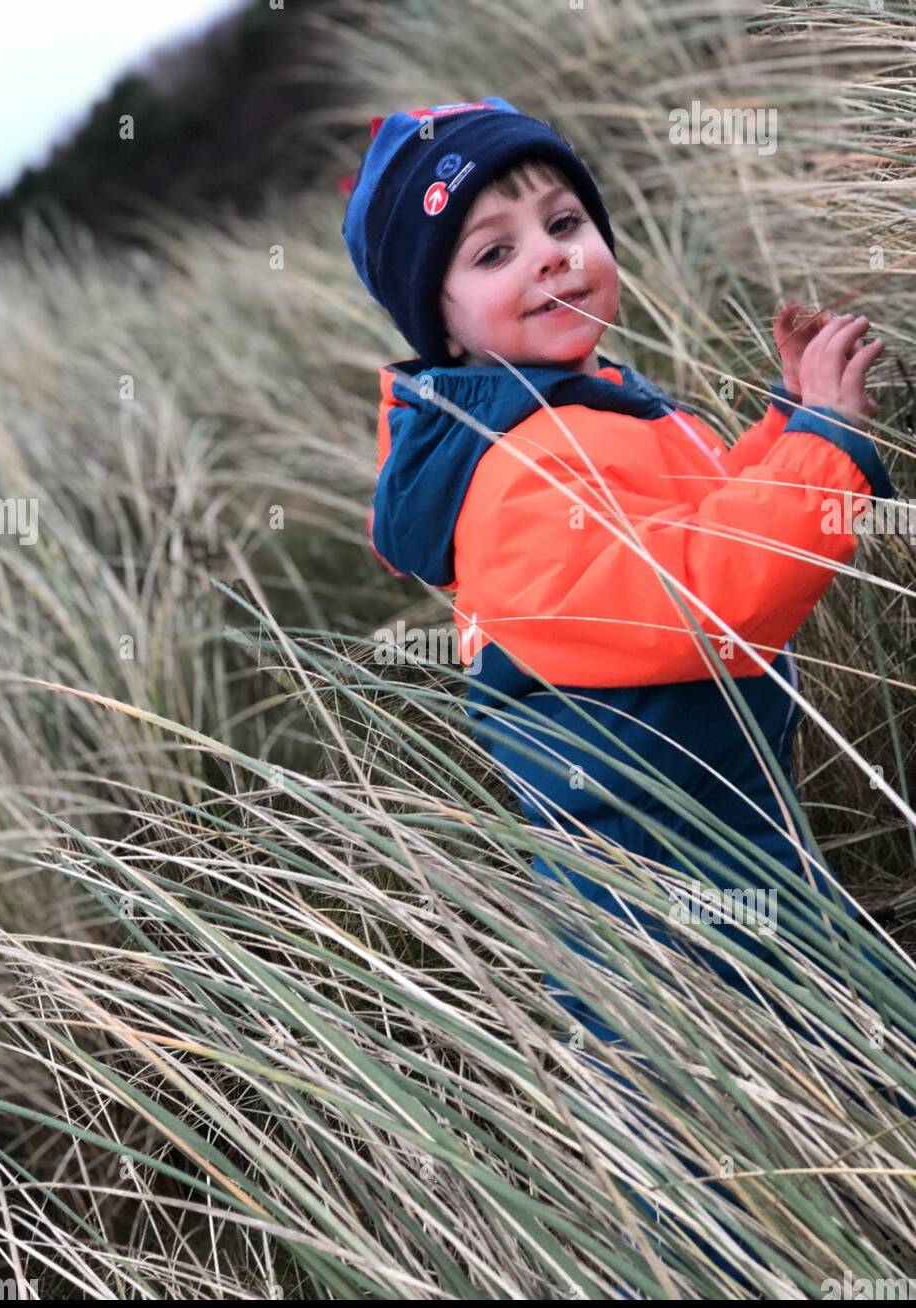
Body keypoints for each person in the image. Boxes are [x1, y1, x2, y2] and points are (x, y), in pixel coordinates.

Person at [340, 96, 909, 1092]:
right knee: (735, 1149)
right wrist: (825, 441)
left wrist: (785, 430)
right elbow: (707, 604)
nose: (550, 257)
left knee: (852, 1066)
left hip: (735, 835)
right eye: (493, 253)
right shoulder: (510, 474)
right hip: (659, 907)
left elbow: (698, 526)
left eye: (564, 224)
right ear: (445, 328)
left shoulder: (591, 402)